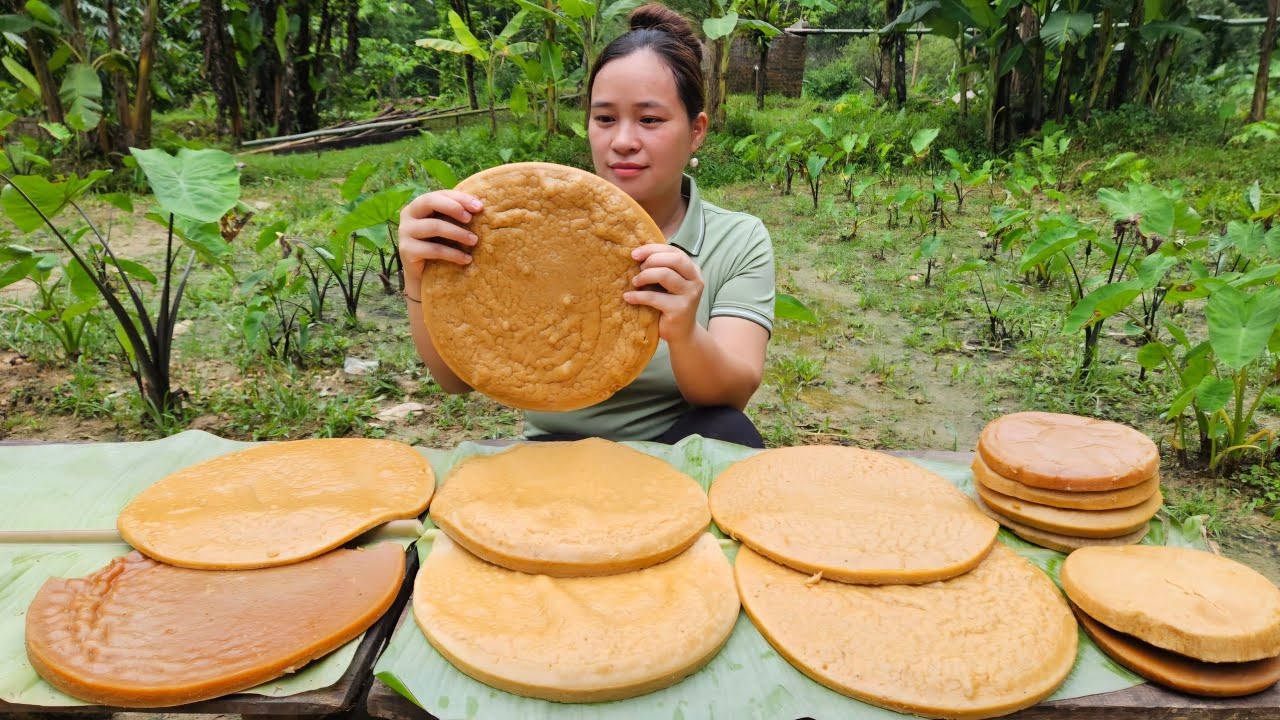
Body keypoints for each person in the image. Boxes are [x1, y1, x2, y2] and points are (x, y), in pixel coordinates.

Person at [397, 4, 775, 448]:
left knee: (730, 432)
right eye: (605, 118)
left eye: (650, 120)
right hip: (554, 449)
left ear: (696, 131)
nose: (623, 141)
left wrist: (685, 332)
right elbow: (456, 381)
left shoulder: (738, 240)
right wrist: (419, 274)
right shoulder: (507, 225)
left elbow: (732, 396)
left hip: (671, 449)